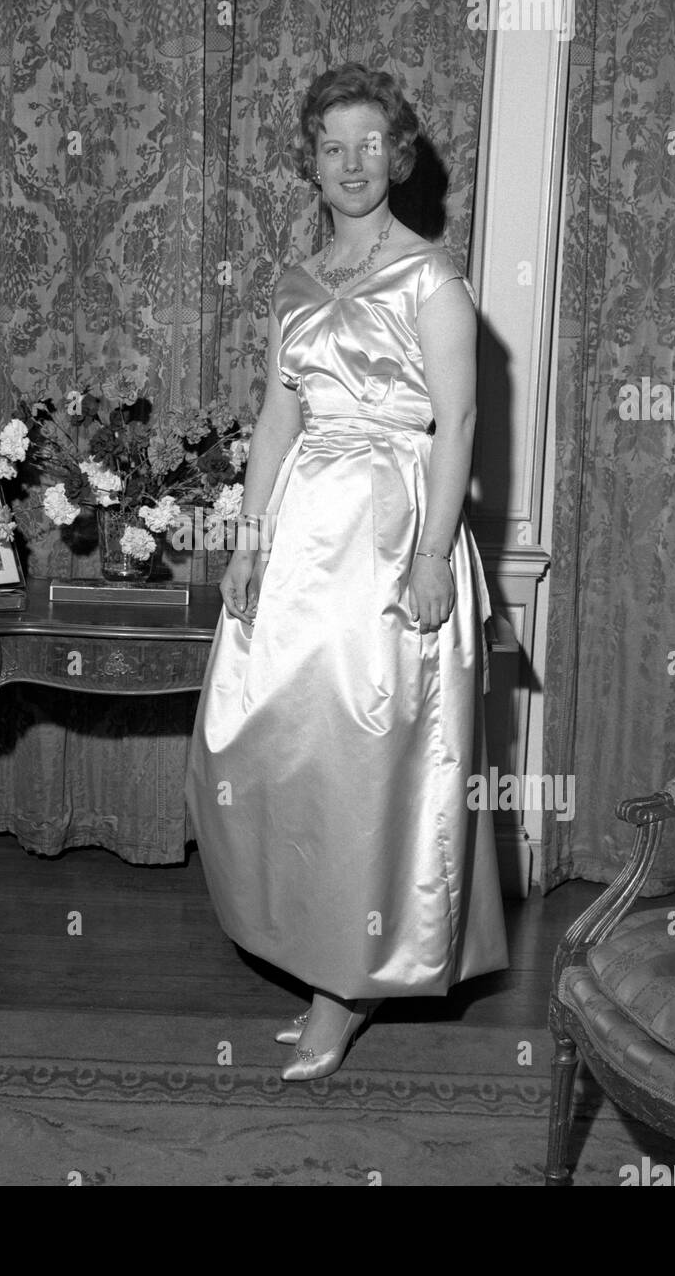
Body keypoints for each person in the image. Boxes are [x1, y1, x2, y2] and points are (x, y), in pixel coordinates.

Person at [185, 62, 508, 1082]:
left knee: (374, 755)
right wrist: (246, 541)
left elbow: (455, 421)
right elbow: (279, 416)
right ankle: (317, 949)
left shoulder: (432, 278)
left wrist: (426, 558)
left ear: (398, 154)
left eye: (372, 143)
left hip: (387, 529)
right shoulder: (296, 278)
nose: (354, 162)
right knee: (280, 744)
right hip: (299, 534)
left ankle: (348, 985)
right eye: (334, 145)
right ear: (310, 162)